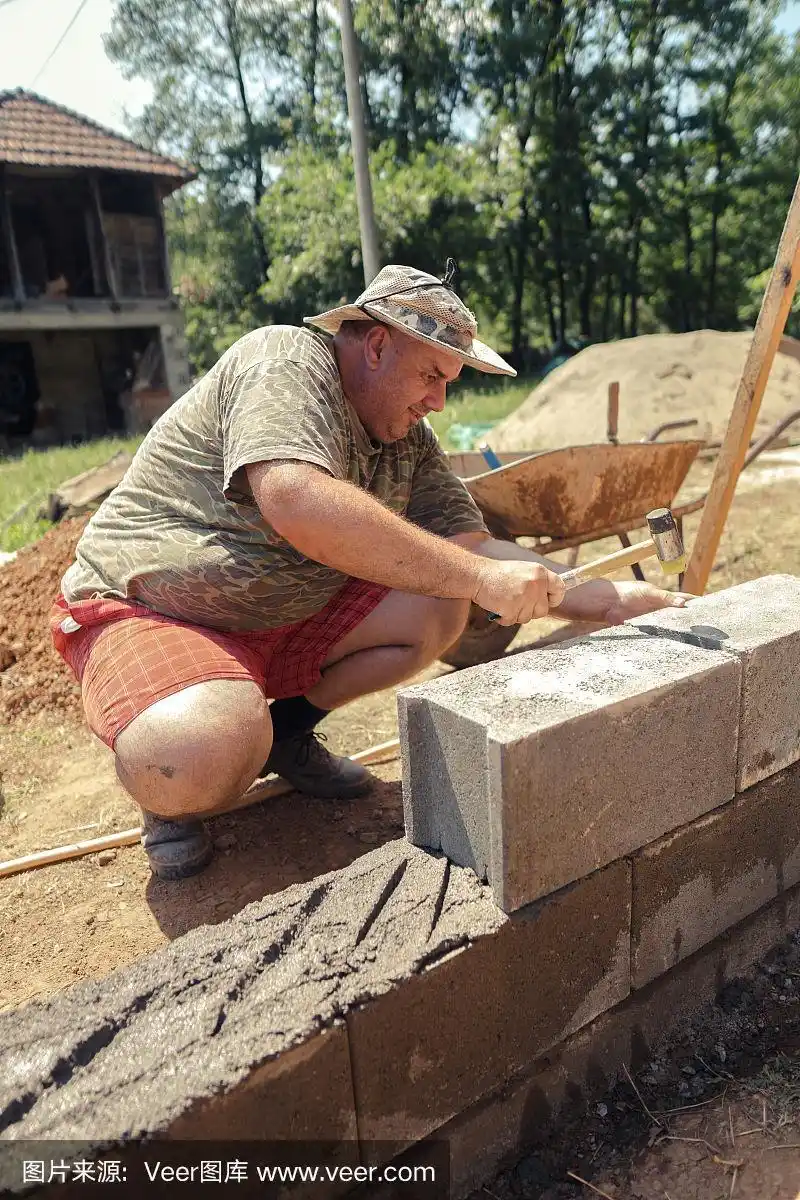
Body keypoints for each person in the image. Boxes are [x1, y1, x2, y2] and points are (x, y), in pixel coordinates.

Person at [51, 263, 688, 881]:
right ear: (377, 344)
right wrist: (474, 576)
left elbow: (473, 547)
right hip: (157, 610)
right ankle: (174, 786)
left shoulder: (406, 439)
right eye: (433, 375)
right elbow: (294, 498)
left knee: (440, 603)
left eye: (451, 382)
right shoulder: (285, 361)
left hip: (280, 615)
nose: (439, 400)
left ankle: (287, 734)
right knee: (204, 750)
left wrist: (608, 599)